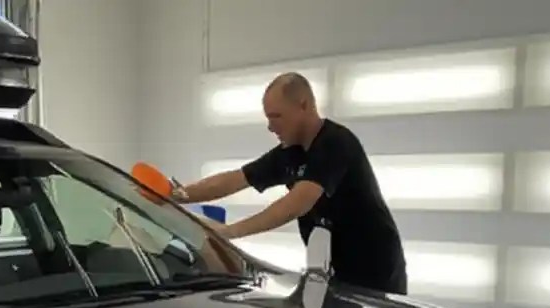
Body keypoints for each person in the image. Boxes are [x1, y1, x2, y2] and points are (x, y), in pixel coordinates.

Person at [172, 72, 408, 295]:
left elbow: (297, 203)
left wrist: (229, 232)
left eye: (276, 117)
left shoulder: (336, 143)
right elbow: (235, 179)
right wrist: (178, 194)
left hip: (377, 271)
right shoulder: (289, 153)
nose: (270, 126)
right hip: (337, 270)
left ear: (303, 106)